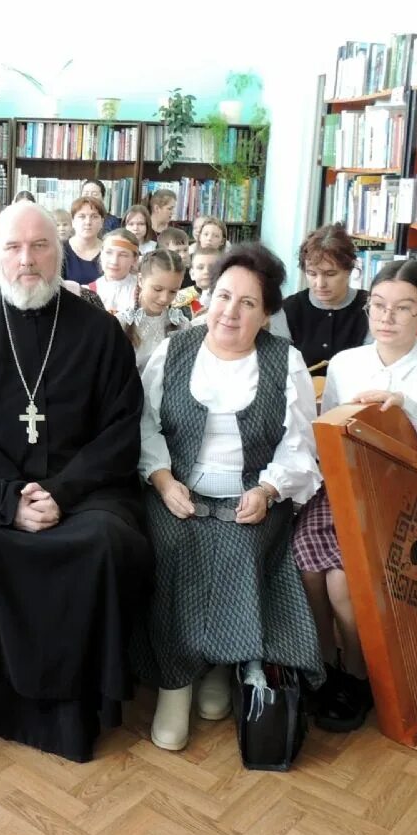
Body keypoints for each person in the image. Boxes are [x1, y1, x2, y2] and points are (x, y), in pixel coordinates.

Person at [0, 203, 153, 762]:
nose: (27, 260)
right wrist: (8, 495)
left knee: (105, 543)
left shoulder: (100, 333)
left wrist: (64, 492)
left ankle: (78, 706)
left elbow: (121, 429)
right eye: (13, 247)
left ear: (60, 249)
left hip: (84, 488)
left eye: (40, 246)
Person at [137, 244, 325, 751]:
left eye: (247, 303)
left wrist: (267, 490)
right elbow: (146, 429)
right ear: (206, 298)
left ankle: (220, 663)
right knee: (172, 543)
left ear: (266, 315)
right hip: (177, 489)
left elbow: (299, 445)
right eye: (223, 296)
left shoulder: (285, 363)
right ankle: (175, 681)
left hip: (254, 494)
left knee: (241, 544)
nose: (230, 311)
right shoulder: (172, 351)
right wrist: (162, 480)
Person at [291, 258, 417, 732]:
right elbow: (328, 439)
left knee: (341, 583)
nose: (387, 317)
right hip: (349, 490)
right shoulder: (348, 363)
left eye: (403, 308)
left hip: (413, 503)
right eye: (378, 305)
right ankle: (325, 664)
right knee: (307, 561)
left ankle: (358, 673)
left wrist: (409, 409)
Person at [272, 224, 371, 371]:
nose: (320, 284)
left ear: (349, 270)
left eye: (330, 274)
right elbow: (278, 368)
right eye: (312, 274)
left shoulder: (371, 307)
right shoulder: (287, 309)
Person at [117, 249, 191, 372]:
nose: (164, 298)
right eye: (157, 289)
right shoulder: (122, 323)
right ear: (141, 280)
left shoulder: (181, 324)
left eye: (173, 291)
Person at [88, 228, 140, 313]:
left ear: (134, 259)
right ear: (101, 254)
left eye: (123, 255)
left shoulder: (142, 292)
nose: (114, 261)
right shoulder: (88, 292)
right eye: (109, 252)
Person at [61, 195, 104, 285]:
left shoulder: (109, 250)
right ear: (73, 222)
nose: (88, 222)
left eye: (94, 216)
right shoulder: (60, 250)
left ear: (102, 222)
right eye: (82, 216)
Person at [175, 245, 221, 316]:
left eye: (212, 267)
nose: (206, 271)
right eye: (200, 268)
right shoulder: (178, 299)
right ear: (192, 274)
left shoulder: (229, 298)